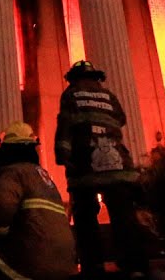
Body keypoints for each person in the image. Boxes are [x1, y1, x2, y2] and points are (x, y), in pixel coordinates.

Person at [56, 60, 151, 279]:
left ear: (74, 79)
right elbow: (121, 119)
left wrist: (63, 156)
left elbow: (65, 127)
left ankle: (93, 265)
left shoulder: (71, 95)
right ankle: (134, 265)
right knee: (123, 215)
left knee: (85, 216)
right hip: (118, 166)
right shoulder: (109, 96)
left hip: (85, 166)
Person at [0, 122, 76, 280]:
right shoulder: (42, 176)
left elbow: (2, 206)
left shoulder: (13, 173)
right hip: (66, 264)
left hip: (37, 266)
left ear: (7, 149)